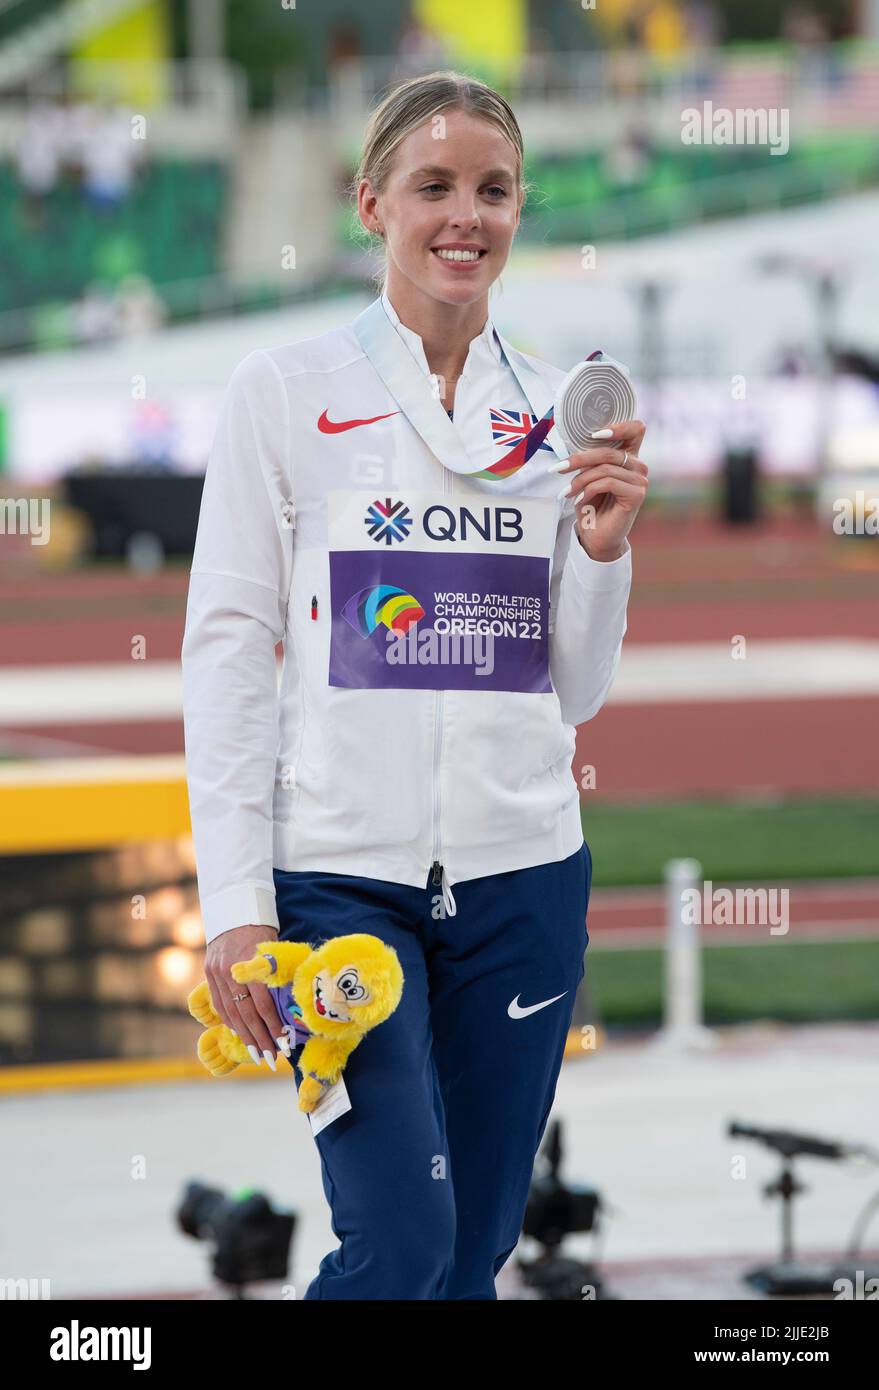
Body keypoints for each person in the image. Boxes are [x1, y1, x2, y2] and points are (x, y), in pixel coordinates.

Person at [181, 69, 648, 1300]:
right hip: (340, 888)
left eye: (494, 190)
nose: (466, 215)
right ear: (369, 202)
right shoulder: (282, 394)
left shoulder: (560, 413)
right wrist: (235, 899)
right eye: (433, 185)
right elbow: (228, 646)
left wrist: (602, 551)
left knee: (476, 1256)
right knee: (403, 1248)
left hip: (524, 881)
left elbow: (580, 689)